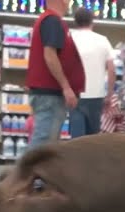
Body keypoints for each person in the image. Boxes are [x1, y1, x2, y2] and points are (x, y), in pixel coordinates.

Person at [25, 0, 84, 149]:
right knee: (41, 147)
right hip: (49, 95)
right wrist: (66, 87)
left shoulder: (49, 20)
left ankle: (29, 171)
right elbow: (50, 55)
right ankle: (24, 172)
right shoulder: (52, 21)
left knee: (46, 145)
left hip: (48, 94)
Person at [67, 8, 116, 138]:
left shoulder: (69, 39)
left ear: (75, 22)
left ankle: (77, 158)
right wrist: (109, 95)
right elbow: (112, 69)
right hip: (96, 96)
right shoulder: (103, 40)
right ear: (92, 21)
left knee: (77, 140)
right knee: (92, 139)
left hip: (75, 95)